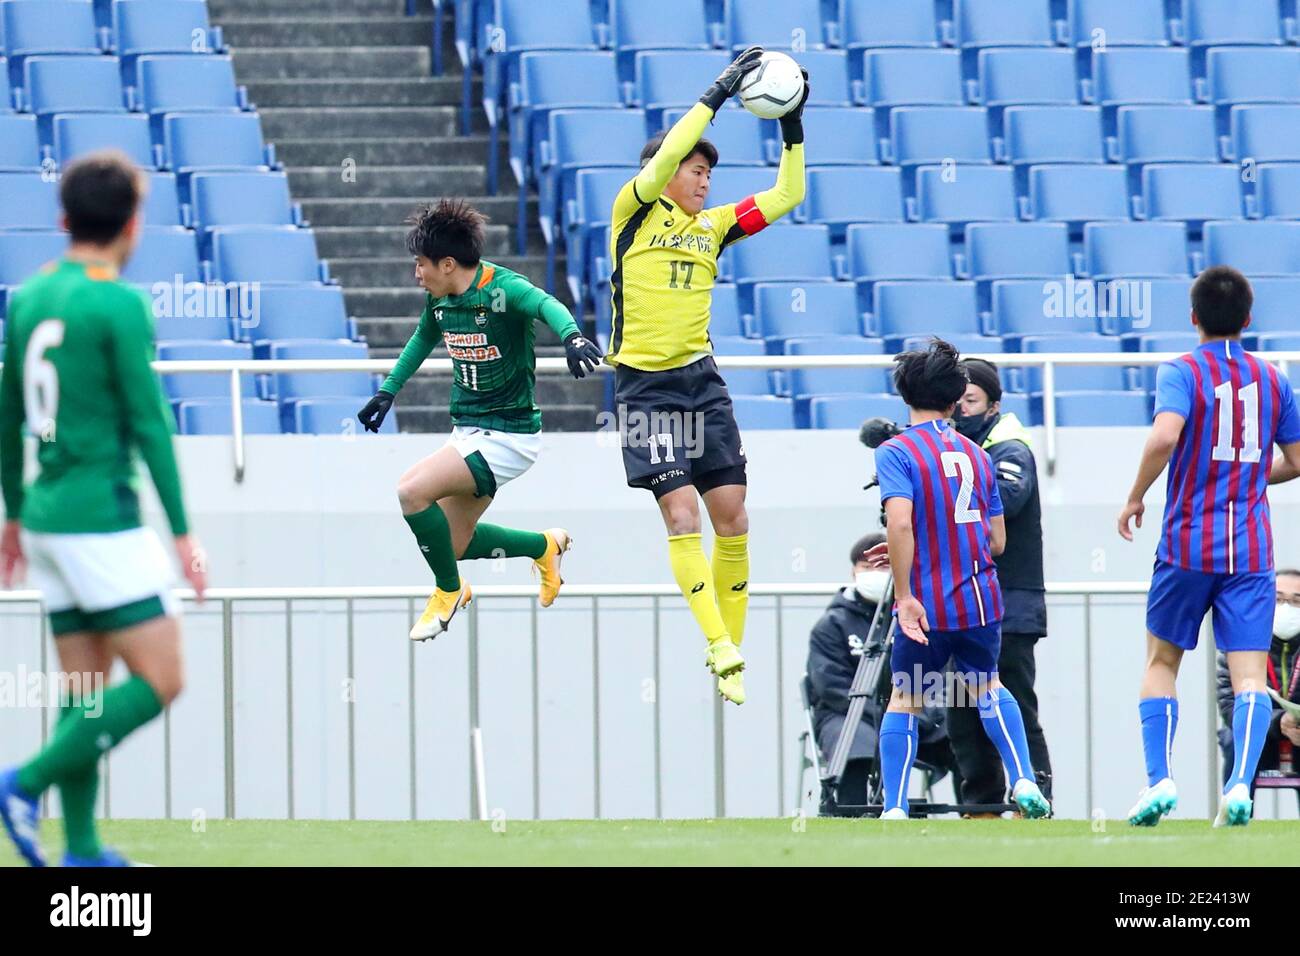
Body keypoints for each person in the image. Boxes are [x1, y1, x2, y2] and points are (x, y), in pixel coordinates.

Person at [0, 151, 207, 867]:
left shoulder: (28, 298)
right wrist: (182, 533)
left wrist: (14, 513)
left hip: (47, 515)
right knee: (163, 679)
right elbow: (150, 424)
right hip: (100, 517)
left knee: (84, 685)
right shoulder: (118, 303)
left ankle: (82, 851)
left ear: (64, 220)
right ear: (132, 224)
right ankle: (22, 784)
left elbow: (6, 416)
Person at [604, 47, 808, 705]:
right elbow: (667, 157)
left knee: (734, 517)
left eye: (707, 174)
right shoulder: (632, 211)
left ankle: (733, 649)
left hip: (701, 381)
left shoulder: (714, 228)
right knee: (681, 513)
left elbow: (789, 193)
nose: (703, 182)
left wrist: (792, 123)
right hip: (644, 387)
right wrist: (719, 92)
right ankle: (715, 643)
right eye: (695, 170)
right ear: (663, 174)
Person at [356, 199, 603, 641]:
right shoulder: (440, 300)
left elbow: (547, 304)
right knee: (452, 545)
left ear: (447, 263)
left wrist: (572, 336)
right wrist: (386, 391)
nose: (417, 273)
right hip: (469, 432)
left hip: (508, 437)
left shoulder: (503, 289)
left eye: (421, 263)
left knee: (411, 492)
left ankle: (449, 592)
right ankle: (544, 547)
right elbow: (421, 339)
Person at [1118, 265, 1300, 827]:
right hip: (1249, 551)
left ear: (1193, 317)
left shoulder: (1182, 370)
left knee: (1161, 661)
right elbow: (1296, 459)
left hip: (1187, 545)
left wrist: (1135, 495)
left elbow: (1167, 434)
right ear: (1248, 320)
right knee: (1249, 675)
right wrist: (1247, 475)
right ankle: (1241, 786)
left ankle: (1160, 781)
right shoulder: (1273, 379)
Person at [867, 339, 1050, 820]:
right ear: (954, 400)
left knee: (905, 696)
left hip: (926, 601)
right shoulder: (975, 453)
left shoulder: (896, 451)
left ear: (905, 395)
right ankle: (1025, 780)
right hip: (979, 598)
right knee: (989, 688)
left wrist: (905, 593)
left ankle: (895, 807)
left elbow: (901, 522)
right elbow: (995, 541)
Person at [945, 358, 1053, 810]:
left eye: (971, 400)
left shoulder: (1010, 449)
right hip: (960, 603)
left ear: (993, 404)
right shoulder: (961, 450)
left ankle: (1038, 798)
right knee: (962, 716)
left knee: (1014, 708)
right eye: (956, 401)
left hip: (1008, 605)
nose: (962, 410)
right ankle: (981, 809)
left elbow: (1004, 500)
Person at [806, 532, 955, 807]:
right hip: (850, 716)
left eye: (886, 566)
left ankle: (978, 810)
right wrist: (881, 714)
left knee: (962, 728)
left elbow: (943, 676)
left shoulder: (918, 618)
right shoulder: (831, 625)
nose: (877, 573)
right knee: (854, 740)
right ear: (853, 572)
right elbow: (830, 685)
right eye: (867, 567)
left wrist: (928, 711)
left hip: (919, 711)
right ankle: (852, 812)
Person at [1214, 568, 1300, 808]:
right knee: (1235, 737)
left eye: (1296, 601)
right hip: (1260, 736)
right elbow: (1229, 705)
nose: (1286, 607)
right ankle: (1236, 811)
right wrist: (1279, 722)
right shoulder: (1241, 643)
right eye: (1279, 599)